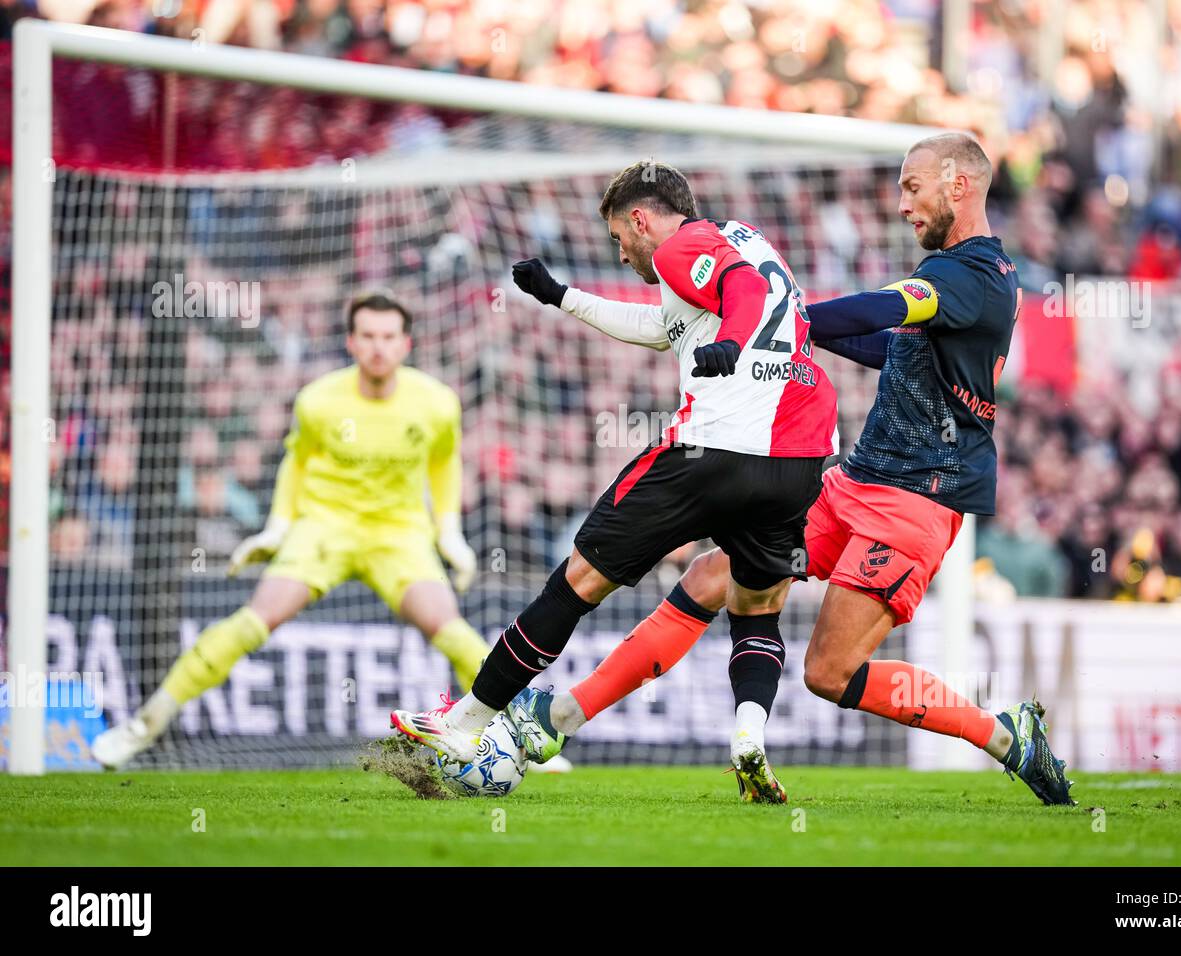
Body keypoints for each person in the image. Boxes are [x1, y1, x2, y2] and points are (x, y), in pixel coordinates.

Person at [487, 136, 1075, 806]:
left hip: (919, 498)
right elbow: (891, 350)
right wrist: (794, 328)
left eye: (914, 187)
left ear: (961, 185)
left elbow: (881, 308)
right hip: (854, 479)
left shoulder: (970, 275)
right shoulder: (958, 281)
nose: (902, 202)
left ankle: (1004, 736)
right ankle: (558, 719)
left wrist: (787, 316)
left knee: (829, 670)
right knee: (713, 575)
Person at [392, 160, 839, 802]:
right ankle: (748, 738)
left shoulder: (684, 244)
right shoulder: (742, 240)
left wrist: (734, 345)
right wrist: (561, 296)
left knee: (578, 580)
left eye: (618, 237)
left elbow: (739, 292)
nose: (621, 251)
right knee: (758, 606)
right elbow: (665, 331)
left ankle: (466, 723)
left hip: (711, 449)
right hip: (797, 460)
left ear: (640, 218)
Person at [92, 291, 489, 768]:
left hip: (399, 533)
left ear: (406, 344)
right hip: (324, 526)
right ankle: (143, 727)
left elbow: (445, 463)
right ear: (351, 342)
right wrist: (277, 528)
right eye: (368, 336)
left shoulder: (436, 403)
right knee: (253, 622)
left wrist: (449, 531)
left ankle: (508, 739)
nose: (378, 347)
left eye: (388, 337)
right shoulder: (318, 400)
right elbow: (296, 464)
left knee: (452, 632)